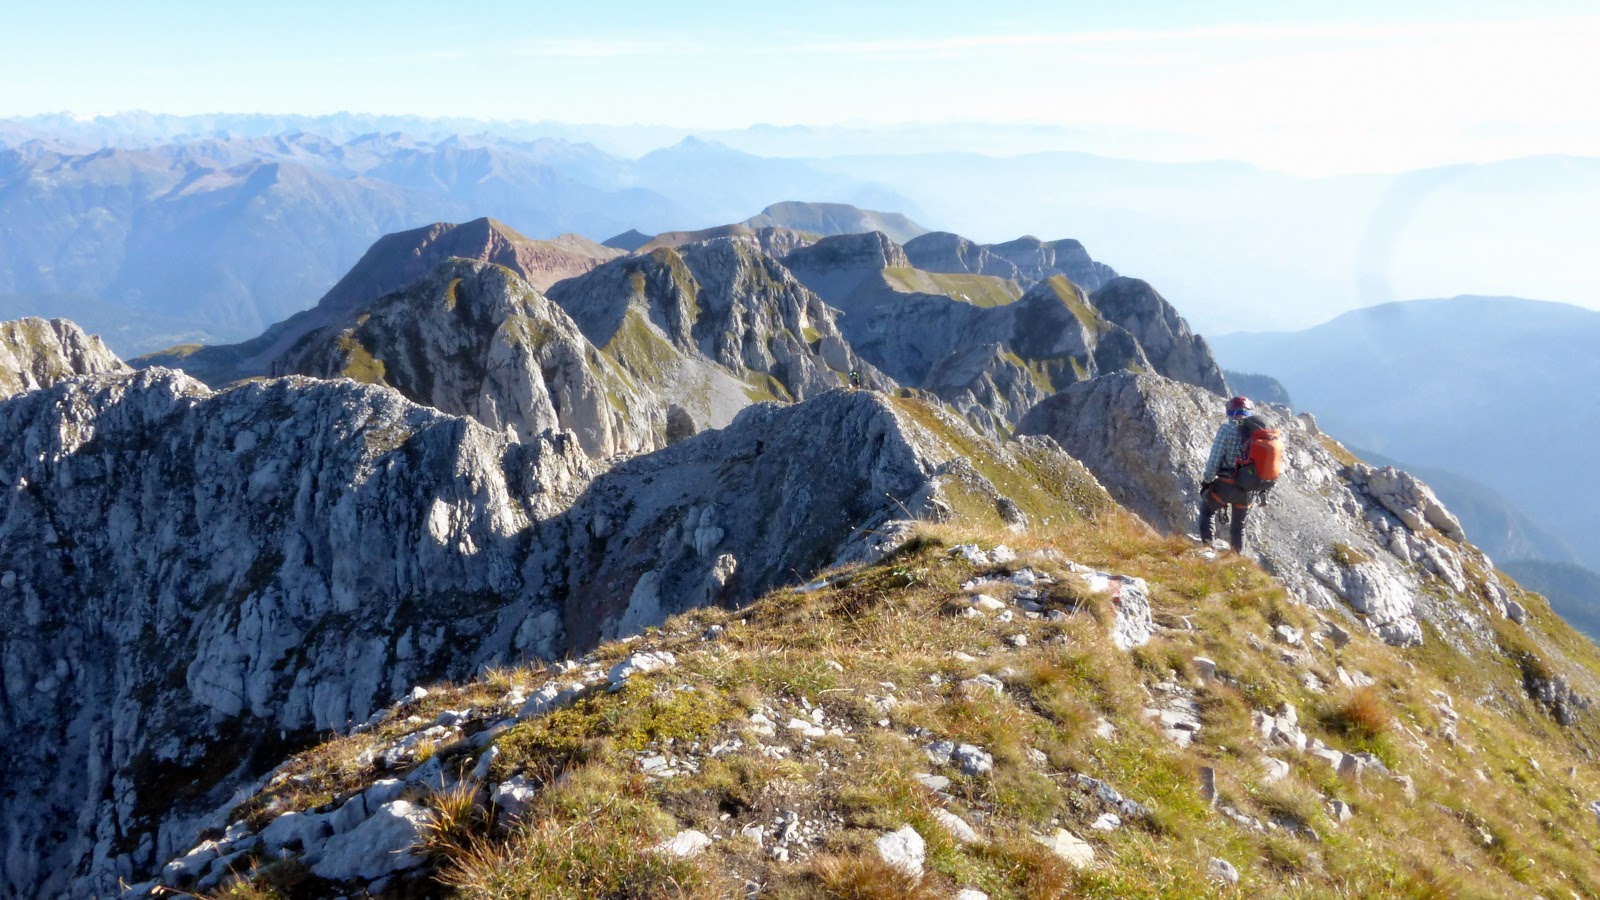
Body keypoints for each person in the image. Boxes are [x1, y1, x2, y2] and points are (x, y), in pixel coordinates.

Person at [1198, 396, 1257, 552]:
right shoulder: (1256, 432)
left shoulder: (1227, 429)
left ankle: (1208, 550)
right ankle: (1237, 560)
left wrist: (1207, 482)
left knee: (1207, 511)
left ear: (1230, 411)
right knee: (1239, 527)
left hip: (1226, 485)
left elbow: (1215, 458)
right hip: (1248, 489)